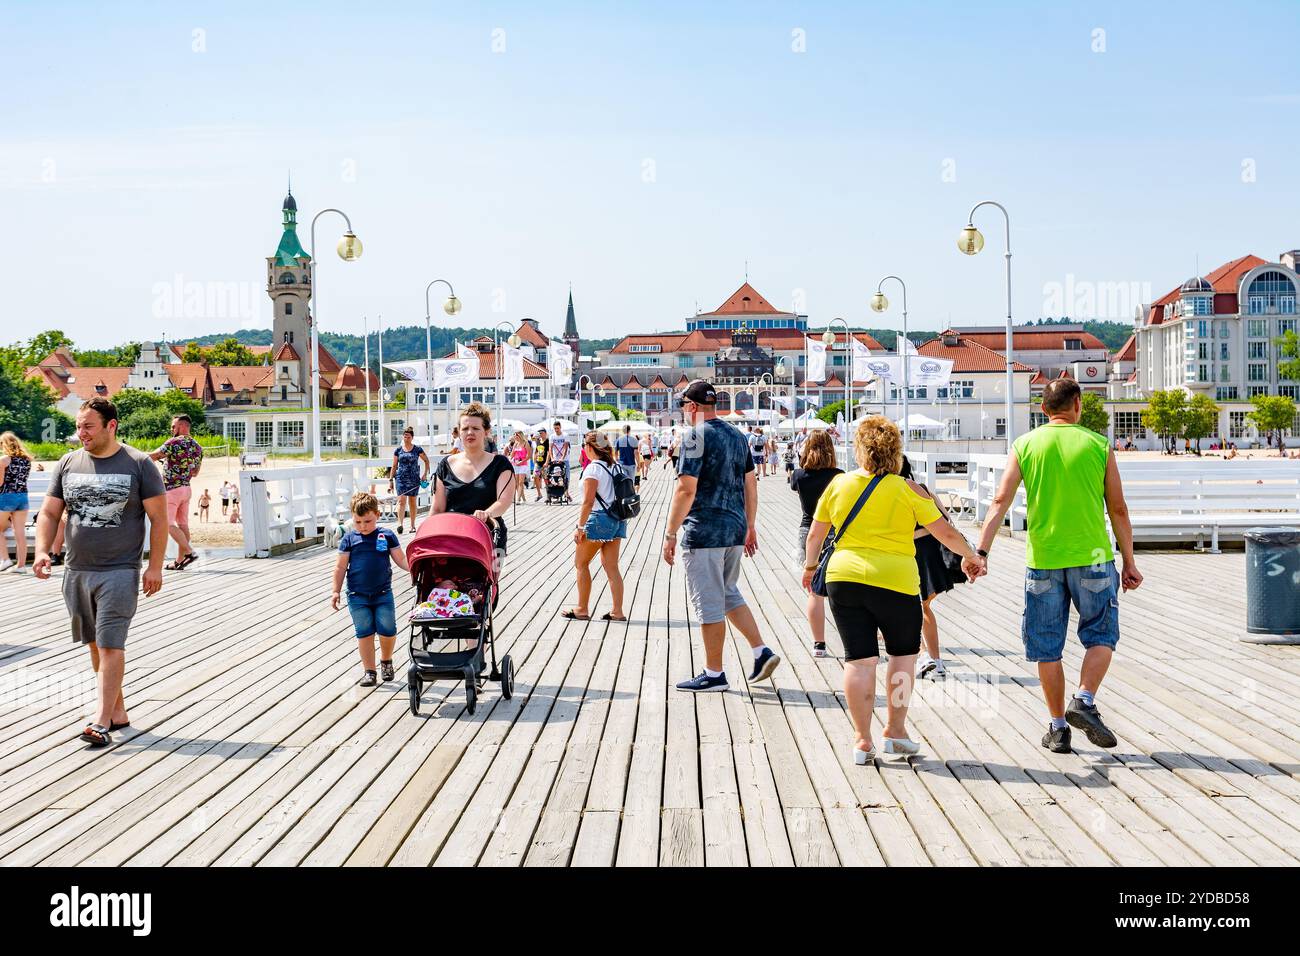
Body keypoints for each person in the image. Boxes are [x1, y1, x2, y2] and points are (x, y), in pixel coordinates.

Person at [802, 416, 984, 763]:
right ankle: (895, 733)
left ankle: (862, 741)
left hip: (845, 577)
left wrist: (811, 569)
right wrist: (971, 557)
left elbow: (815, 534)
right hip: (896, 581)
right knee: (902, 658)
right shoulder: (908, 489)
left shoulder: (839, 485)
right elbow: (944, 532)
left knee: (859, 661)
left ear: (859, 450)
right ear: (895, 451)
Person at [977, 378, 1142, 755]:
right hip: (1093, 559)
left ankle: (1058, 728)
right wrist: (1129, 560)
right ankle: (1083, 699)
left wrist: (981, 553)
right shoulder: (1098, 445)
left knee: (1047, 647)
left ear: (1043, 409)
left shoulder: (1025, 445)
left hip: (1044, 561)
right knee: (1101, 635)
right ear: (1078, 405)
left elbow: (1000, 499)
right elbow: (1118, 508)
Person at [33, 397, 168, 748]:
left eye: (88, 426)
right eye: (78, 426)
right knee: (94, 643)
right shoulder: (68, 463)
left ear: (111, 425)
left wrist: (154, 566)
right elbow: (49, 513)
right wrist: (43, 551)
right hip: (77, 570)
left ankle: (100, 720)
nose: (81, 433)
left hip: (120, 570)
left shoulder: (139, 464)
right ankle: (118, 711)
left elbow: (159, 519)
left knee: (110, 643)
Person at [664, 381, 778, 692]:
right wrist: (750, 524)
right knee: (728, 592)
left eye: (683, 407)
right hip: (735, 528)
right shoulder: (737, 435)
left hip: (704, 531)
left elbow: (686, 489)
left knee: (709, 602)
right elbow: (751, 485)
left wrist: (671, 533)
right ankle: (760, 651)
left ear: (692, 407)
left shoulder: (694, 437)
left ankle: (714, 673)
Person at [332, 491, 410, 687]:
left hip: (383, 593)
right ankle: (369, 671)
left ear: (377, 514)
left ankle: (386, 660)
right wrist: (335, 591)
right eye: (358, 522)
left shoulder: (387, 535)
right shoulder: (349, 539)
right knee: (364, 632)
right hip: (357, 595)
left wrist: (414, 568)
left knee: (388, 630)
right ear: (353, 518)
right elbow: (341, 567)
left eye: (367, 521)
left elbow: (400, 558)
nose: (363, 527)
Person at [430, 402, 515, 567]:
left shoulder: (500, 464)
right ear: (459, 432)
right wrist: (427, 533)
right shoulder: (445, 465)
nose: (470, 432)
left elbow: (503, 502)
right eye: (465, 428)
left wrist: (486, 514)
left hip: (489, 535)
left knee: (483, 586)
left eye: (476, 428)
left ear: (486, 432)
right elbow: (438, 508)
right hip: (451, 537)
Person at [901, 456, 958, 680]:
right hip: (930, 554)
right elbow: (946, 519)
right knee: (922, 606)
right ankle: (929, 657)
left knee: (920, 607)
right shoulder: (923, 489)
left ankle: (931, 659)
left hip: (912, 553)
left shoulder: (897, 493)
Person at [561, 431, 628, 622]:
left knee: (581, 564)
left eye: (584, 446)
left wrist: (580, 527)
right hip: (617, 519)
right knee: (612, 567)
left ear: (590, 448)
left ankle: (582, 609)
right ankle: (617, 611)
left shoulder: (593, 469)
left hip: (599, 519)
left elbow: (588, 502)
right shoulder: (616, 467)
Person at [788, 429, 842, 658]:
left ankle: (819, 644)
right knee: (840, 588)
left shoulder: (799, 476)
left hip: (807, 530)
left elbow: (793, 485)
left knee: (814, 591)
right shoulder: (839, 476)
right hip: (834, 532)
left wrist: (802, 458)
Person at [148, 414, 202, 571]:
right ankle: (179, 561)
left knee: (167, 523)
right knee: (183, 524)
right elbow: (196, 472)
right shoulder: (197, 447)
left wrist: (134, 458)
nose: (172, 429)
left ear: (183, 426)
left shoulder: (174, 442)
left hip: (172, 489)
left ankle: (189, 552)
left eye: (174, 426)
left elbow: (154, 456)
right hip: (186, 489)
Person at [0, 432, 35, 573]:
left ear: (5, 445)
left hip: (7, 496)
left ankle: (5, 559)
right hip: (22, 497)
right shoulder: (26, 460)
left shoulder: (4, 460)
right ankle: (21, 566)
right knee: (19, 532)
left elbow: (0, 482)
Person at [389, 427, 429, 534]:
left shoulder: (417, 449)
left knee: (412, 502)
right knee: (401, 501)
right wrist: (390, 480)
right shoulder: (398, 450)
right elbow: (394, 465)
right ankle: (400, 524)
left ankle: (412, 526)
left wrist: (425, 474)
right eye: (405, 436)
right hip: (401, 479)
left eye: (408, 436)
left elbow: (426, 460)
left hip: (414, 479)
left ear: (412, 438)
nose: (406, 438)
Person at [507, 430, 530, 503]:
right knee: (516, 482)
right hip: (515, 464)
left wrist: (522, 461)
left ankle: (518, 499)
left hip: (523, 464)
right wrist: (510, 459)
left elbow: (529, 455)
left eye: (516, 436)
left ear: (520, 436)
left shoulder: (525, 443)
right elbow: (512, 454)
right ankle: (523, 498)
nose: (515, 437)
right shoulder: (515, 444)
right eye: (514, 436)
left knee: (521, 482)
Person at [615, 424, 639, 488]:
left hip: (622, 463)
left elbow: (615, 452)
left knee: (624, 481)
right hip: (631, 463)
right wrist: (638, 464)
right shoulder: (633, 439)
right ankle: (631, 495)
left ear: (623, 431)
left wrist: (617, 460)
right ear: (629, 430)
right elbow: (636, 453)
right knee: (631, 481)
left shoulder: (618, 440)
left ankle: (625, 495)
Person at [548, 420, 571, 485]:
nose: (556, 430)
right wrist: (552, 458)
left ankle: (566, 491)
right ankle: (558, 489)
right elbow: (550, 448)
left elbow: (565, 447)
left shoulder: (565, 435)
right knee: (555, 475)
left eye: (557, 428)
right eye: (555, 428)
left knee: (566, 475)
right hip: (555, 458)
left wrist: (562, 458)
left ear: (560, 427)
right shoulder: (552, 436)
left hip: (564, 458)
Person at [531, 427, 550, 501]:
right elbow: (536, 450)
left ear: (545, 433)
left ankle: (548, 495)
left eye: (541, 433)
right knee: (535, 476)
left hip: (545, 464)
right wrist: (534, 459)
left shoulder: (548, 441)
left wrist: (547, 462)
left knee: (546, 479)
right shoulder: (538, 441)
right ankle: (539, 494)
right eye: (539, 433)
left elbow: (549, 452)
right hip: (538, 463)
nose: (540, 434)